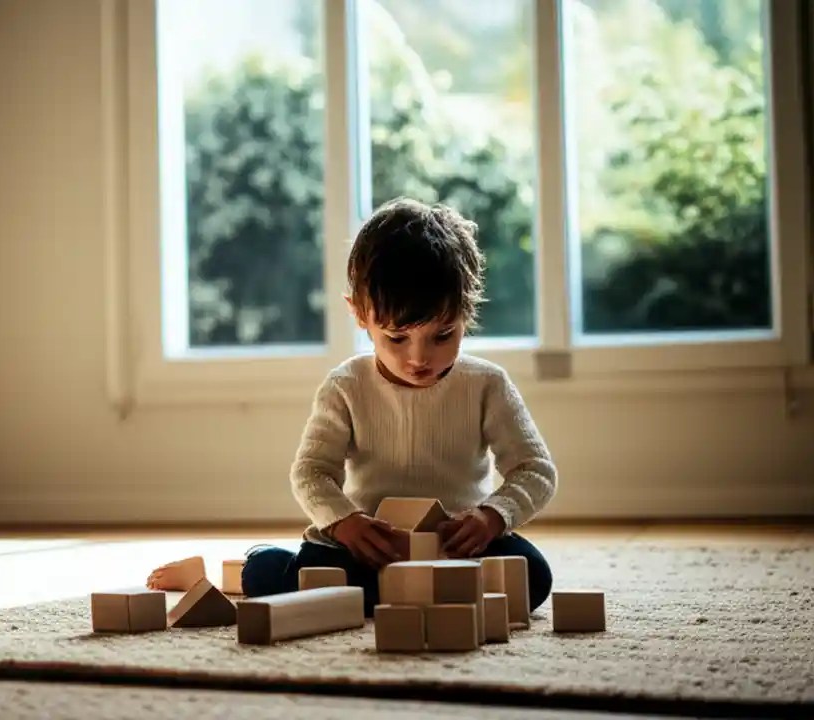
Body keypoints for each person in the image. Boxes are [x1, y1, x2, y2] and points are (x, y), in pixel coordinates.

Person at [149, 197, 556, 616]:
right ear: (359, 314)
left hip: (456, 548)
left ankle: (397, 590)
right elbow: (312, 471)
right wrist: (346, 522)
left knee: (535, 576)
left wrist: (492, 516)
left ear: (466, 313)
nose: (419, 358)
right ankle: (249, 564)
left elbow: (536, 469)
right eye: (397, 338)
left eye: (443, 335)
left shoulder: (486, 383)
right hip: (367, 549)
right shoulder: (345, 386)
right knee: (298, 576)